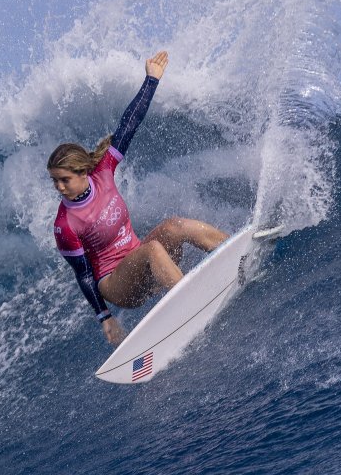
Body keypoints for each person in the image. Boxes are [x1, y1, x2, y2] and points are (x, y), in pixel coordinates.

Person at [49, 51, 228, 345]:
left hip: (144, 266)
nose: (59, 187)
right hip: (118, 286)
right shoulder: (66, 224)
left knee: (174, 226)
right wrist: (105, 320)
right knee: (153, 249)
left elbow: (129, 125)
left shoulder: (103, 172)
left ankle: (238, 251)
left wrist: (151, 80)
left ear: (83, 172)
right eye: (54, 180)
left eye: (64, 179)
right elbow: (83, 276)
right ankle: (193, 306)